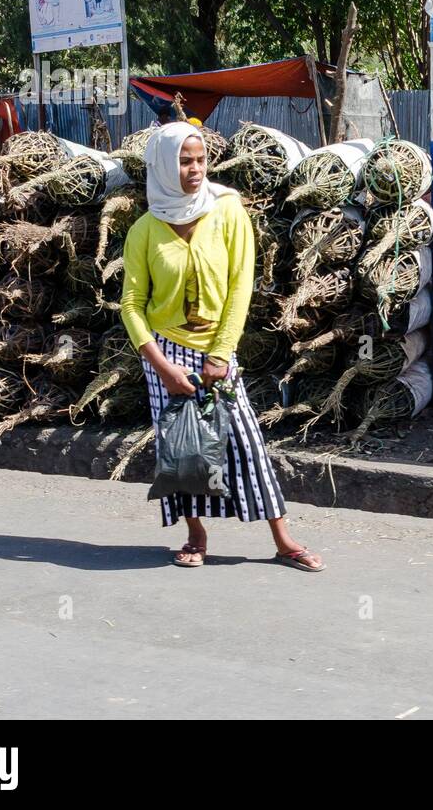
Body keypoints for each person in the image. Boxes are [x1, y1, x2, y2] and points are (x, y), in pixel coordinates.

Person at [119, 122, 325, 572]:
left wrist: (219, 354)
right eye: (183, 161)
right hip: (166, 357)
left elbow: (240, 287)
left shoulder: (228, 209)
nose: (194, 170)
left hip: (217, 353)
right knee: (184, 452)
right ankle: (195, 535)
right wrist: (162, 367)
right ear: (162, 165)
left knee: (246, 443)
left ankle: (284, 540)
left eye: (199, 160)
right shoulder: (144, 230)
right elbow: (132, 306)